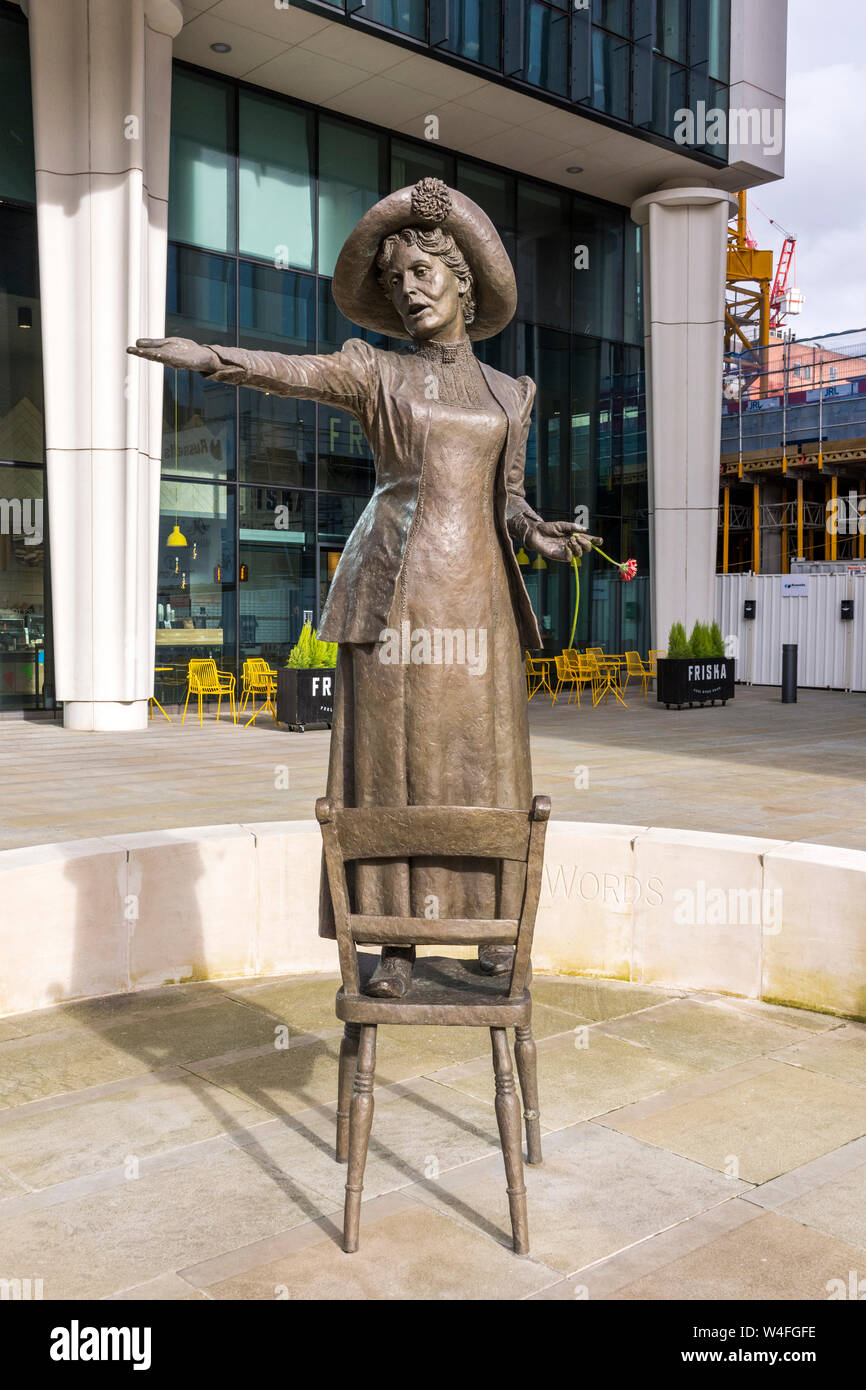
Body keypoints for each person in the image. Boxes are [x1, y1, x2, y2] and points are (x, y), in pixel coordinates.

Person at [130, 177, 600, 998]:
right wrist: (210, 359)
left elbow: (509, 495)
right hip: (394, 595)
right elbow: (295, 372)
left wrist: (539, 533)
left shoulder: (511, 393)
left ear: (463, 281)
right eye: (396, 281)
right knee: (392, 762)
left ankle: (492, 931)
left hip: (480, 596)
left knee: (481, 761)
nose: (409, 292)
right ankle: (392, 942)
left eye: (423, 273)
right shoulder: (375, 372)